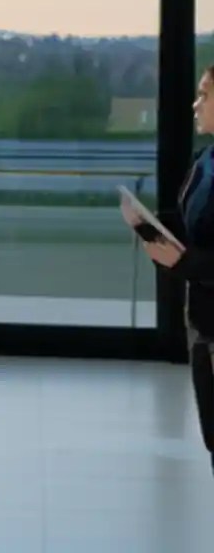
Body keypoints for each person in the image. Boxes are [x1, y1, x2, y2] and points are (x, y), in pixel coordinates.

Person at [120, 62, 214, 476]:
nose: (196, 105)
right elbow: (197, 225)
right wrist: (154, 226)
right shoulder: (206, 160)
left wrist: (185, 261)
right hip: (203, 320)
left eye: (205, 95)